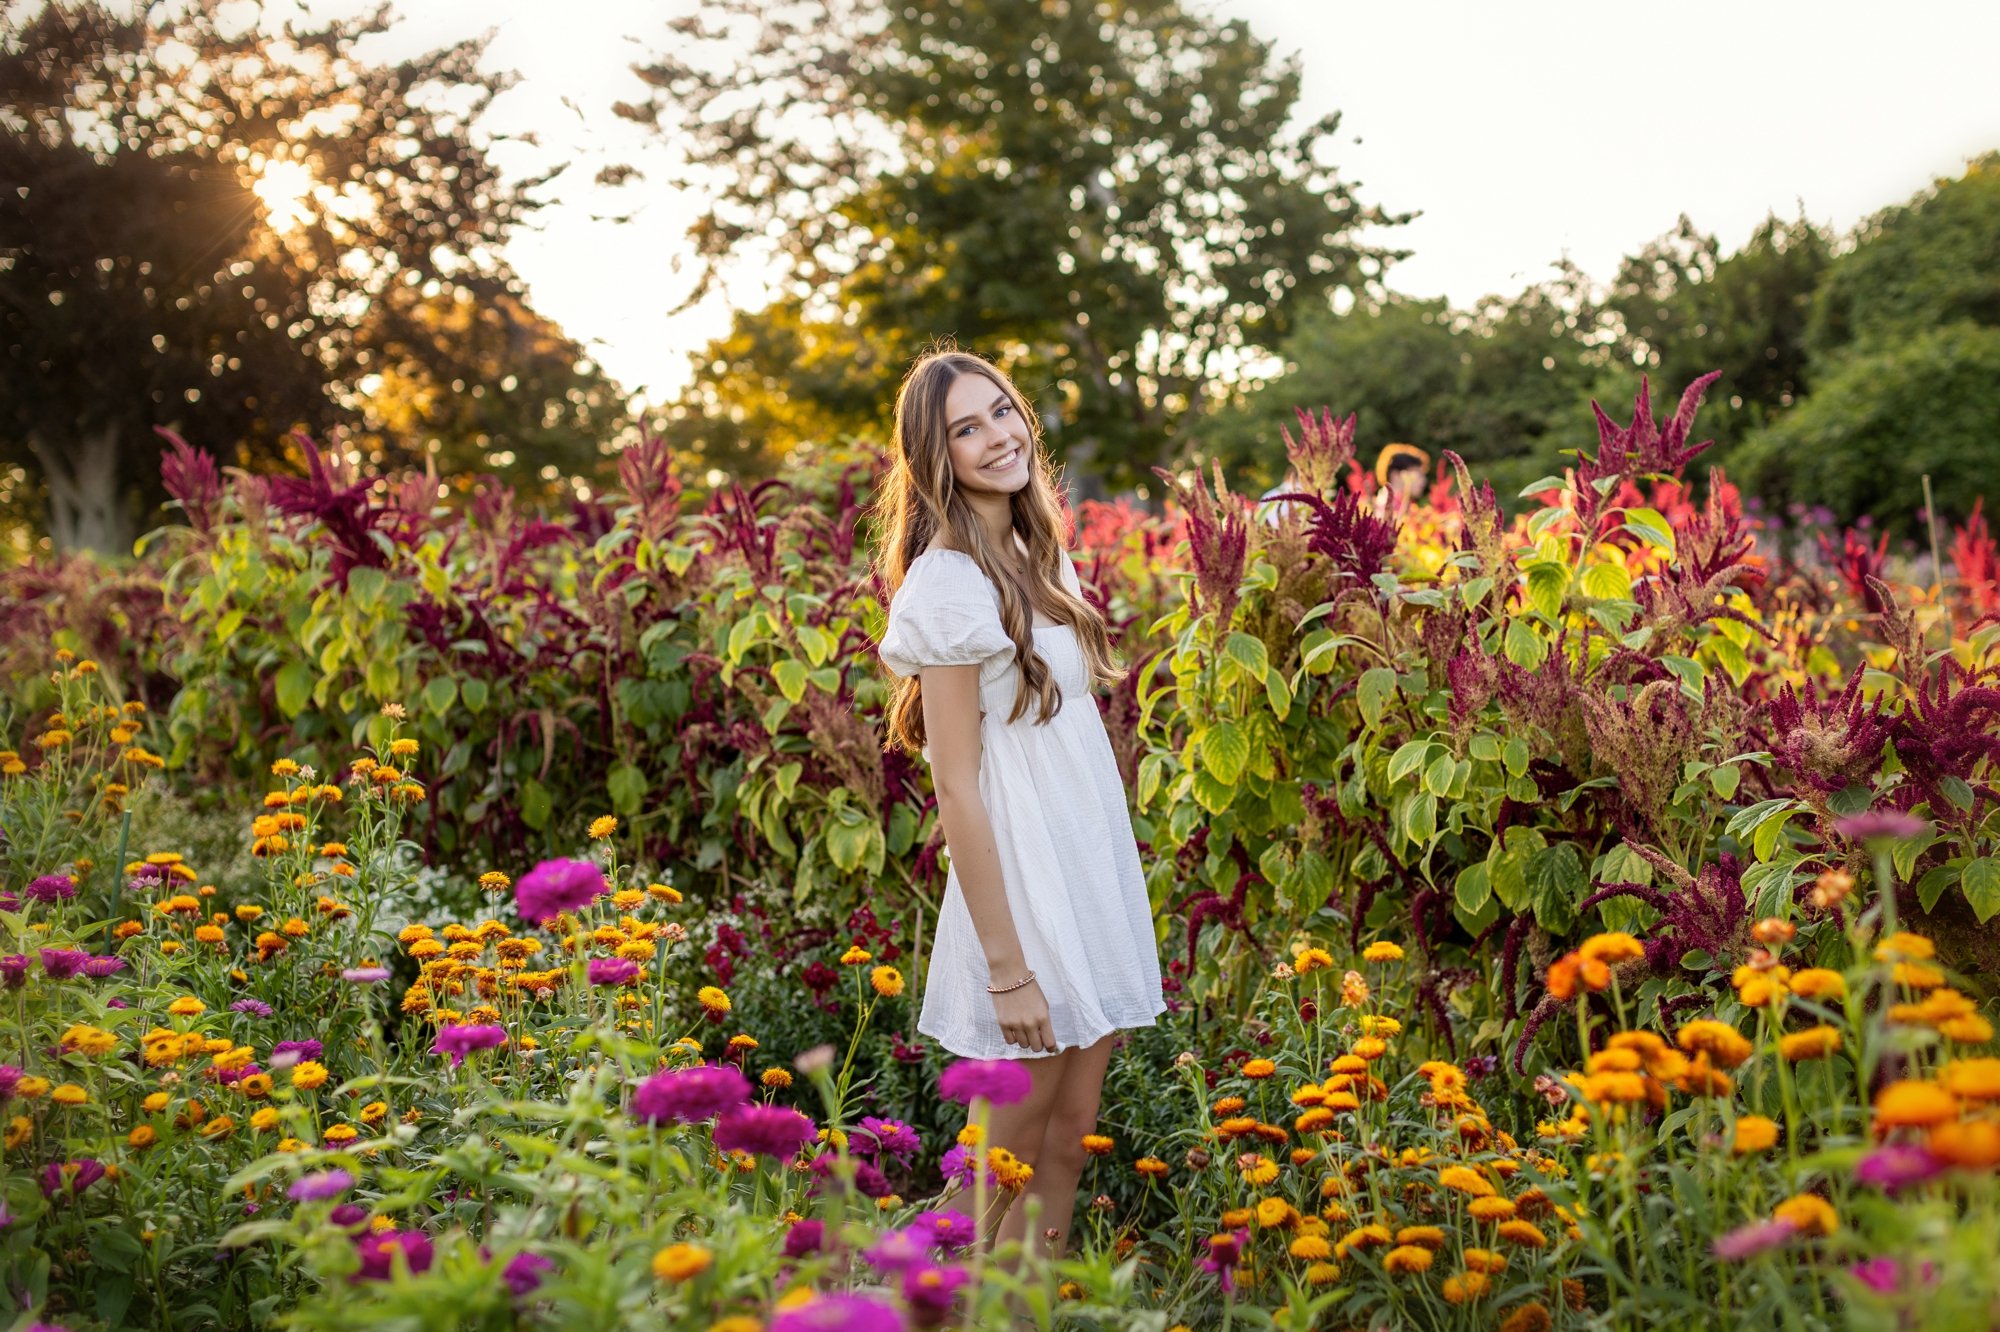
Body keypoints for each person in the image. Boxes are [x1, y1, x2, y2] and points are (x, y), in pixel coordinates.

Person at [871, 345, 1166, 1267]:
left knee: (1070, 1133)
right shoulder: (951, 583)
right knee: (998, 1153)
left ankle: (1019, 1311)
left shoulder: (1041, 554)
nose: (997, 436)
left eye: (1002, 412)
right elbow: (957, 785)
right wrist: (1007, 969)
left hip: (1086, 865)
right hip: (1023, 886)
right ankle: (909, 1307)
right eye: (967, 427)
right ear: (937, 458)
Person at [1372, 442, 1430, 518]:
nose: (1423, 481)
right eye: (1418, 474)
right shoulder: (1386, 505)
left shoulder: (1406, 504)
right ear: (1396, 475)